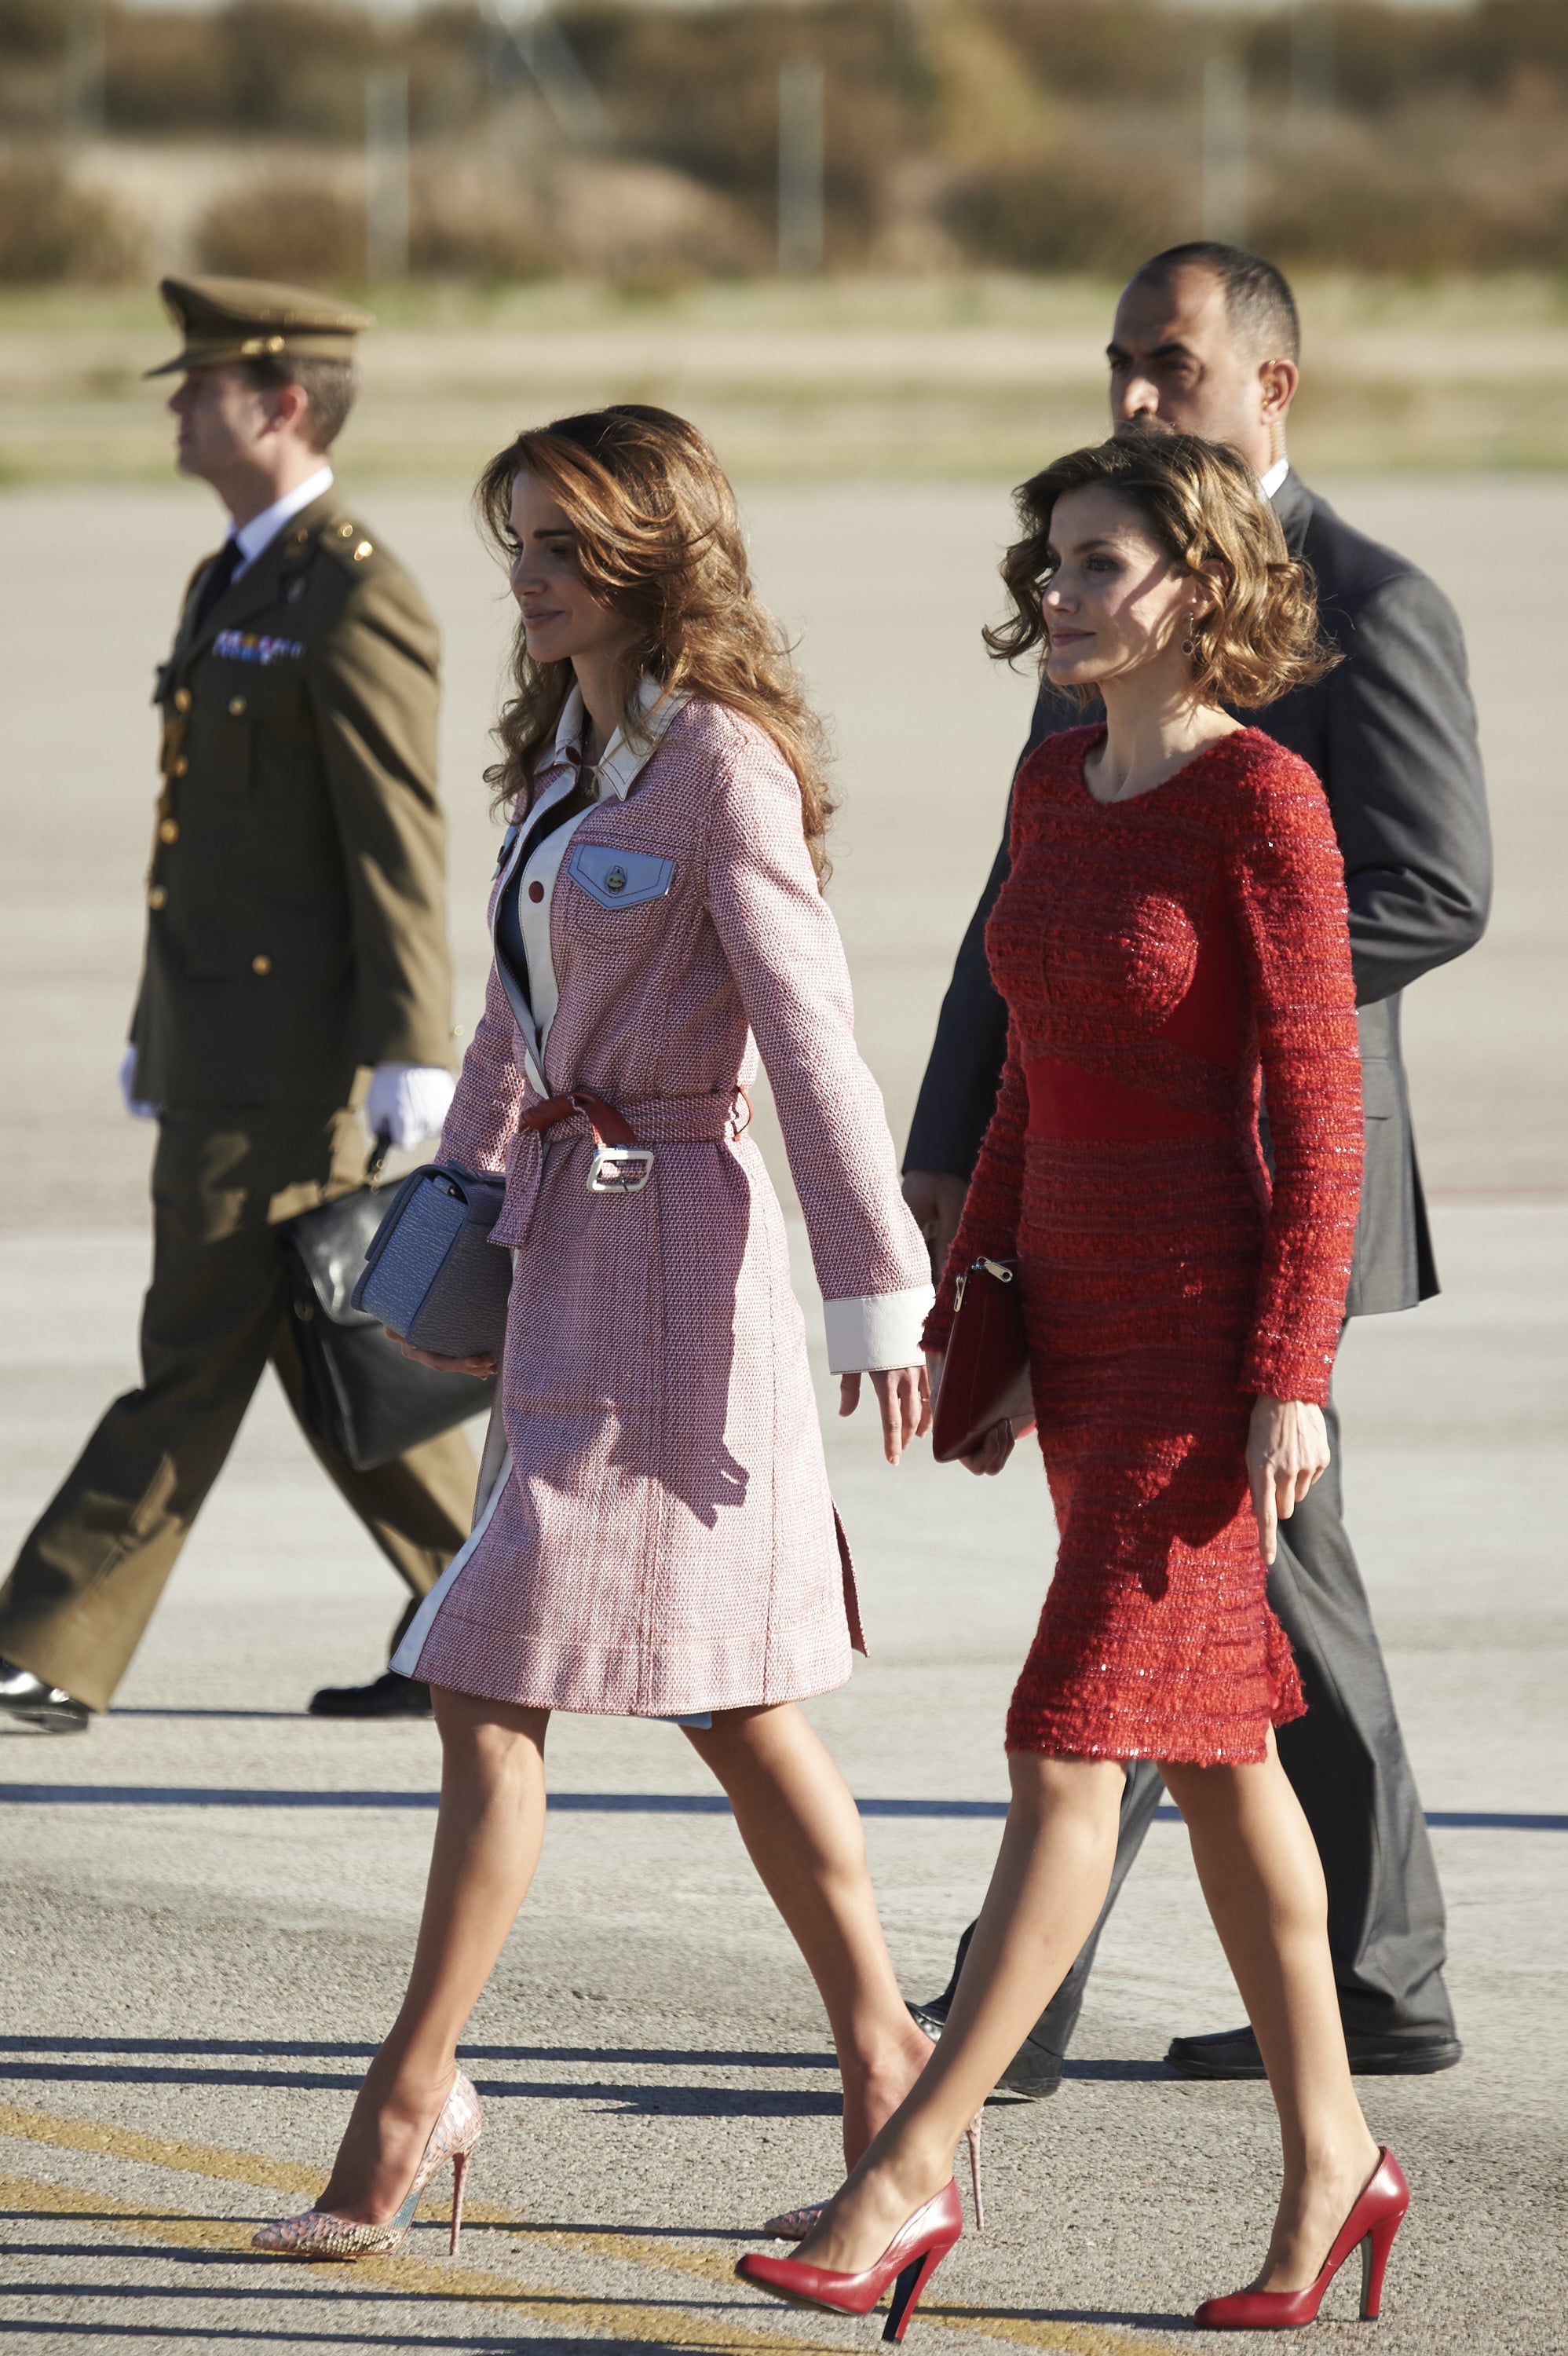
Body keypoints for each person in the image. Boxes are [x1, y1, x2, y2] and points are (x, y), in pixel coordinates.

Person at [251, 404, 945, 2258]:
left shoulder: (723, 763)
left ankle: (415, 2094)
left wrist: (881, 1287)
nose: (526, 575)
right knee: (711, 1703)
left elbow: (811, 1037)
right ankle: (887, 2073)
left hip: (679, 1269)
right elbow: (510, 1030)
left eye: (560, 545)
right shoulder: (564, 750)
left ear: (654, 558)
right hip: (564, 1254)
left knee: (540, 1678)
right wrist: (455, 1223)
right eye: (521, 541)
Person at [739, 433, 1410, 2339]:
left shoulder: (1262, 801)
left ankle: (911, 2168)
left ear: (1195, 584)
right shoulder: (1056, 774)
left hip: (1210, 1336)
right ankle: (1334, 2162)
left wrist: (1296, 1374)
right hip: (1091, 1325)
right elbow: (1031, 1060)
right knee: (1219, 1763)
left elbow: (1325, 1111)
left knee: (1071, 1742)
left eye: (1101, 564)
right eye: (1054, 561)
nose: (1062, 591)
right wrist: (990, 1299)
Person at [903, 243, 1489, 2098]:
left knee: (1162, 1629)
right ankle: (1366, 2006)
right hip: (1079, 1190)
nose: (1138, 398)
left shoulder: (1372, 605)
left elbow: (1436, 888)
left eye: (1173, 367)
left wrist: (1227, 995)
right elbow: (1031, 908)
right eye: (1120, 364)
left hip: (1260, 1193)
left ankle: (1006, 2028)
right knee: (1245, 1636)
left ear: (1272, 388)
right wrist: (950, 1156)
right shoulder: (1102, 595)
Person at [0, 275, 474, 1733]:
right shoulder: (234, 579)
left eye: (199, 385)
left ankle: (50, 1641)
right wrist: (159, 1018)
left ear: (277, 403)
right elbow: (194, 841)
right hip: (221, 1045)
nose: (175, 405)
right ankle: (476, 1614)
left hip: (300, 1062)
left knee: (194, 1349)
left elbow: (394, 834)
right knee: (323, 1341)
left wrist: (410, 1042)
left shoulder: (354, 590)